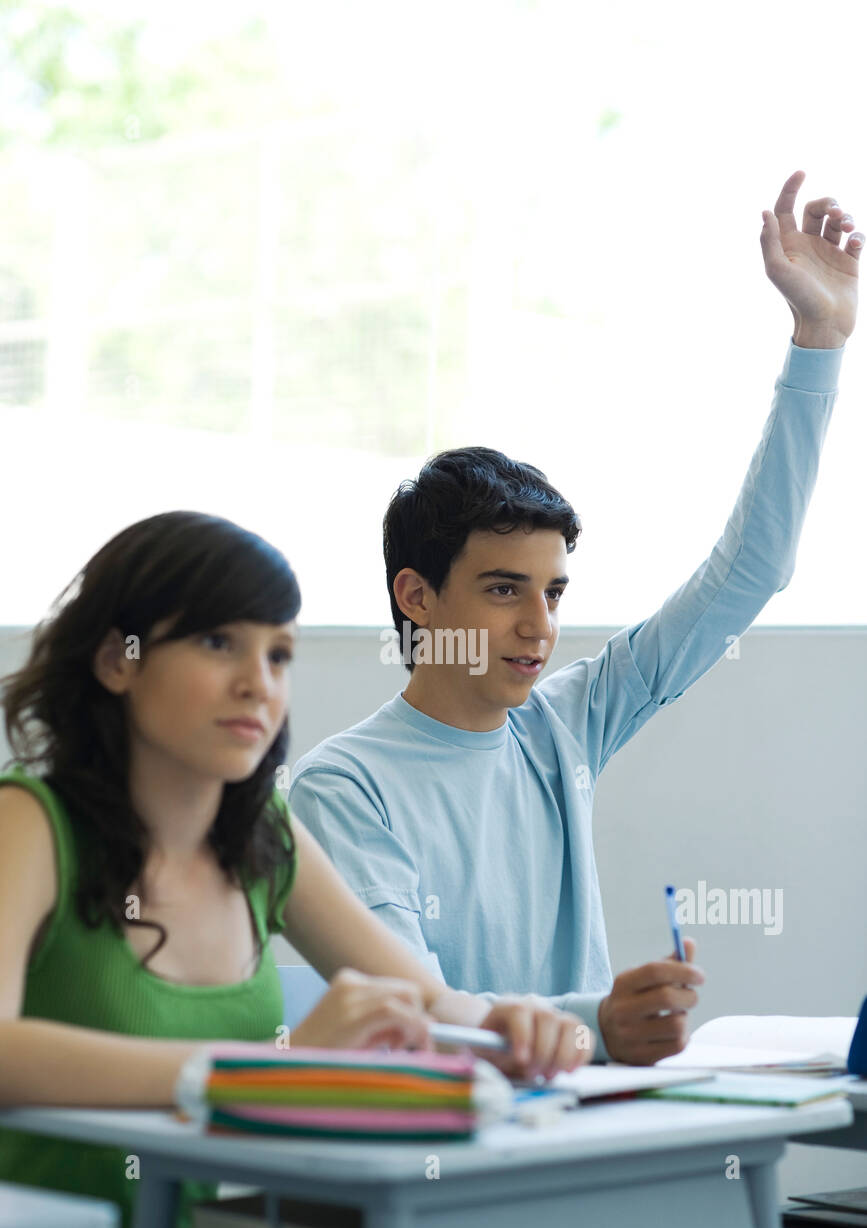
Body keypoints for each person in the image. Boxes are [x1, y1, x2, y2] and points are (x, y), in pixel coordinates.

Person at [288, 171, 861, 1065]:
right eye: (504, 589)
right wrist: (598, 1024)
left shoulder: (564, 727)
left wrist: (818, 341)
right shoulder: (343, 787)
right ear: (416, 596)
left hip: (586, 1117)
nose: (539, 627)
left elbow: (751, 571)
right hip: (463, 1146)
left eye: (552, 592)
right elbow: (415, 1011)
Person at [0, 512, 591, 1228]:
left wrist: (502, 1026)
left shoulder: (260, 835)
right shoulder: (30, 821)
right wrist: (267, 1073)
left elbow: (424, 994)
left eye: (278, 653)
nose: (259, 683)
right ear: (118, 659)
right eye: (218, 644)